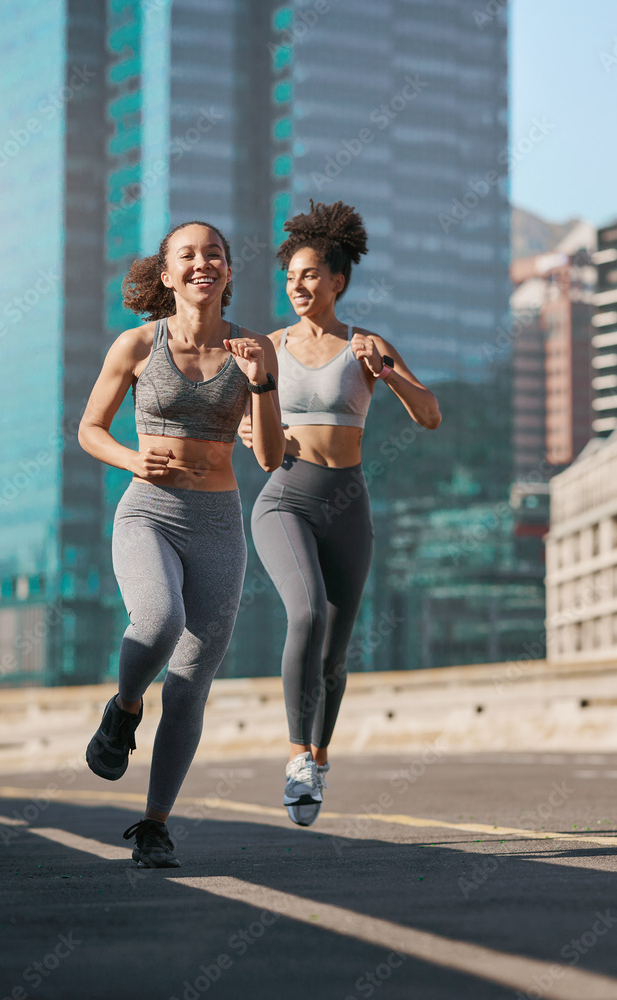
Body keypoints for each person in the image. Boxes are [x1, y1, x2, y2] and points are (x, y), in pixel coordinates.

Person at [79, 221, 284, 866]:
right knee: (160, 618)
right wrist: (132, 462)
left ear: (227, 271)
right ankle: (125, 706)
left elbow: (273, 458)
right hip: (149, 512)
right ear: (166, 275)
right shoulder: (139, 344)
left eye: (214, 254)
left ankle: (155, 824)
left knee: (192, 683)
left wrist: (261, 386)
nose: (203, 263)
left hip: (220, 522)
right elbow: (89, 429)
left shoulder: (256, 350)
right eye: (187, 255)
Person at [240, 200, 441, 826]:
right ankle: (297, 756)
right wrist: (251, 426)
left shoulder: (368, 345)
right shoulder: (267, 348)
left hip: (348, 504)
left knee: (334, 653)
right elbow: (238, 420)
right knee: (304, 612)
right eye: (290, 277)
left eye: (309, 276)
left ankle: (318, 759)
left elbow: (429, 414)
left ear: (338, 281)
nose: (298, 286)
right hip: (285, 498)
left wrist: (388, 374)